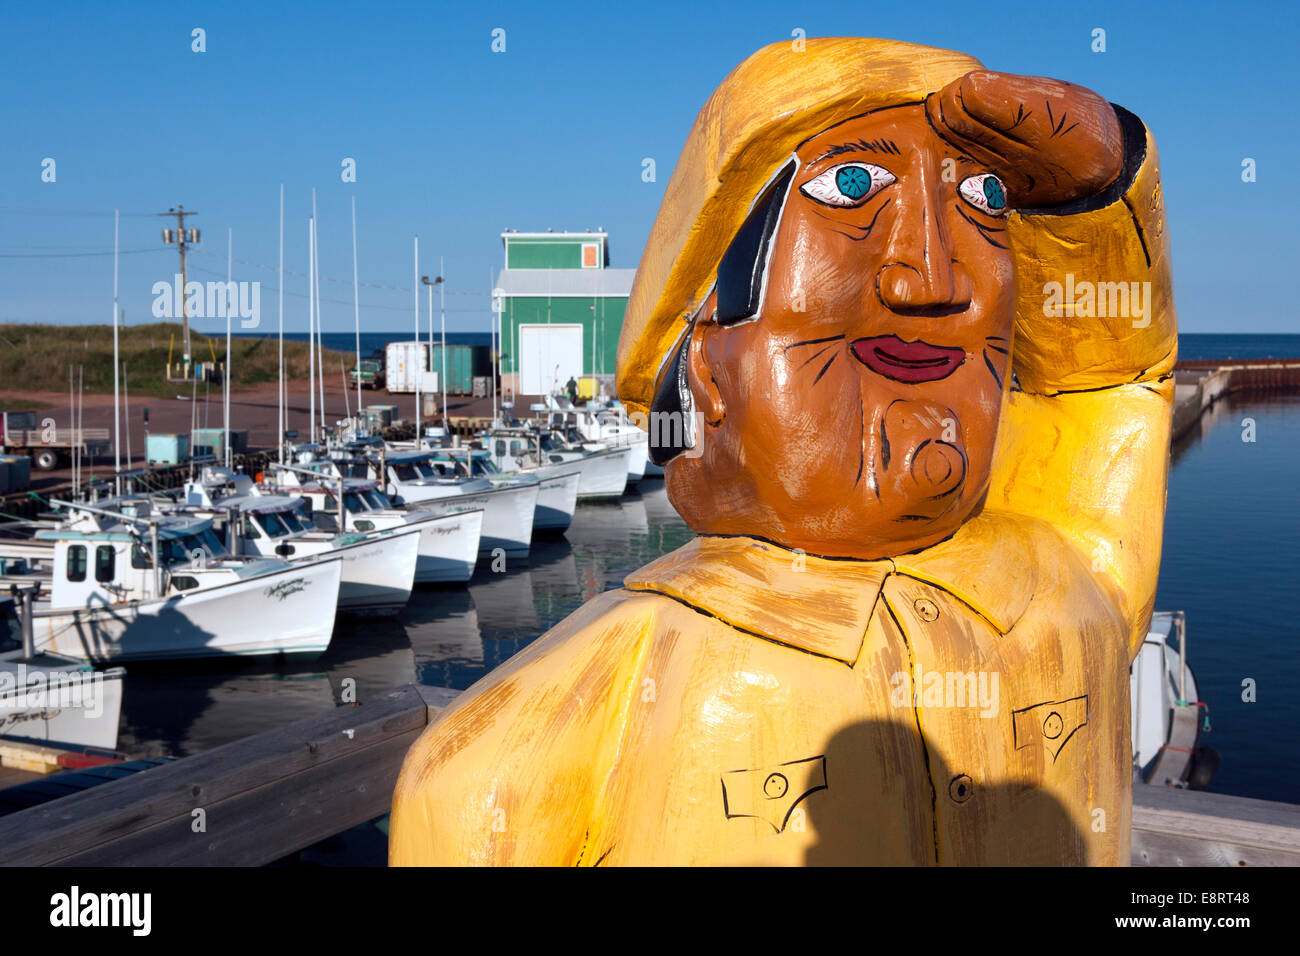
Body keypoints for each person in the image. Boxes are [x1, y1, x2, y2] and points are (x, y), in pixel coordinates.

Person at [390, 37, 1176, 866]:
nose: (933, 279)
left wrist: (1095, 199)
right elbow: (1110, 387)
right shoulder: (552, 733)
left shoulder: (1060, 585)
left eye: (979, 198)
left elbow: (1103, 384)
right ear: (705, 356)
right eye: (851, 186)